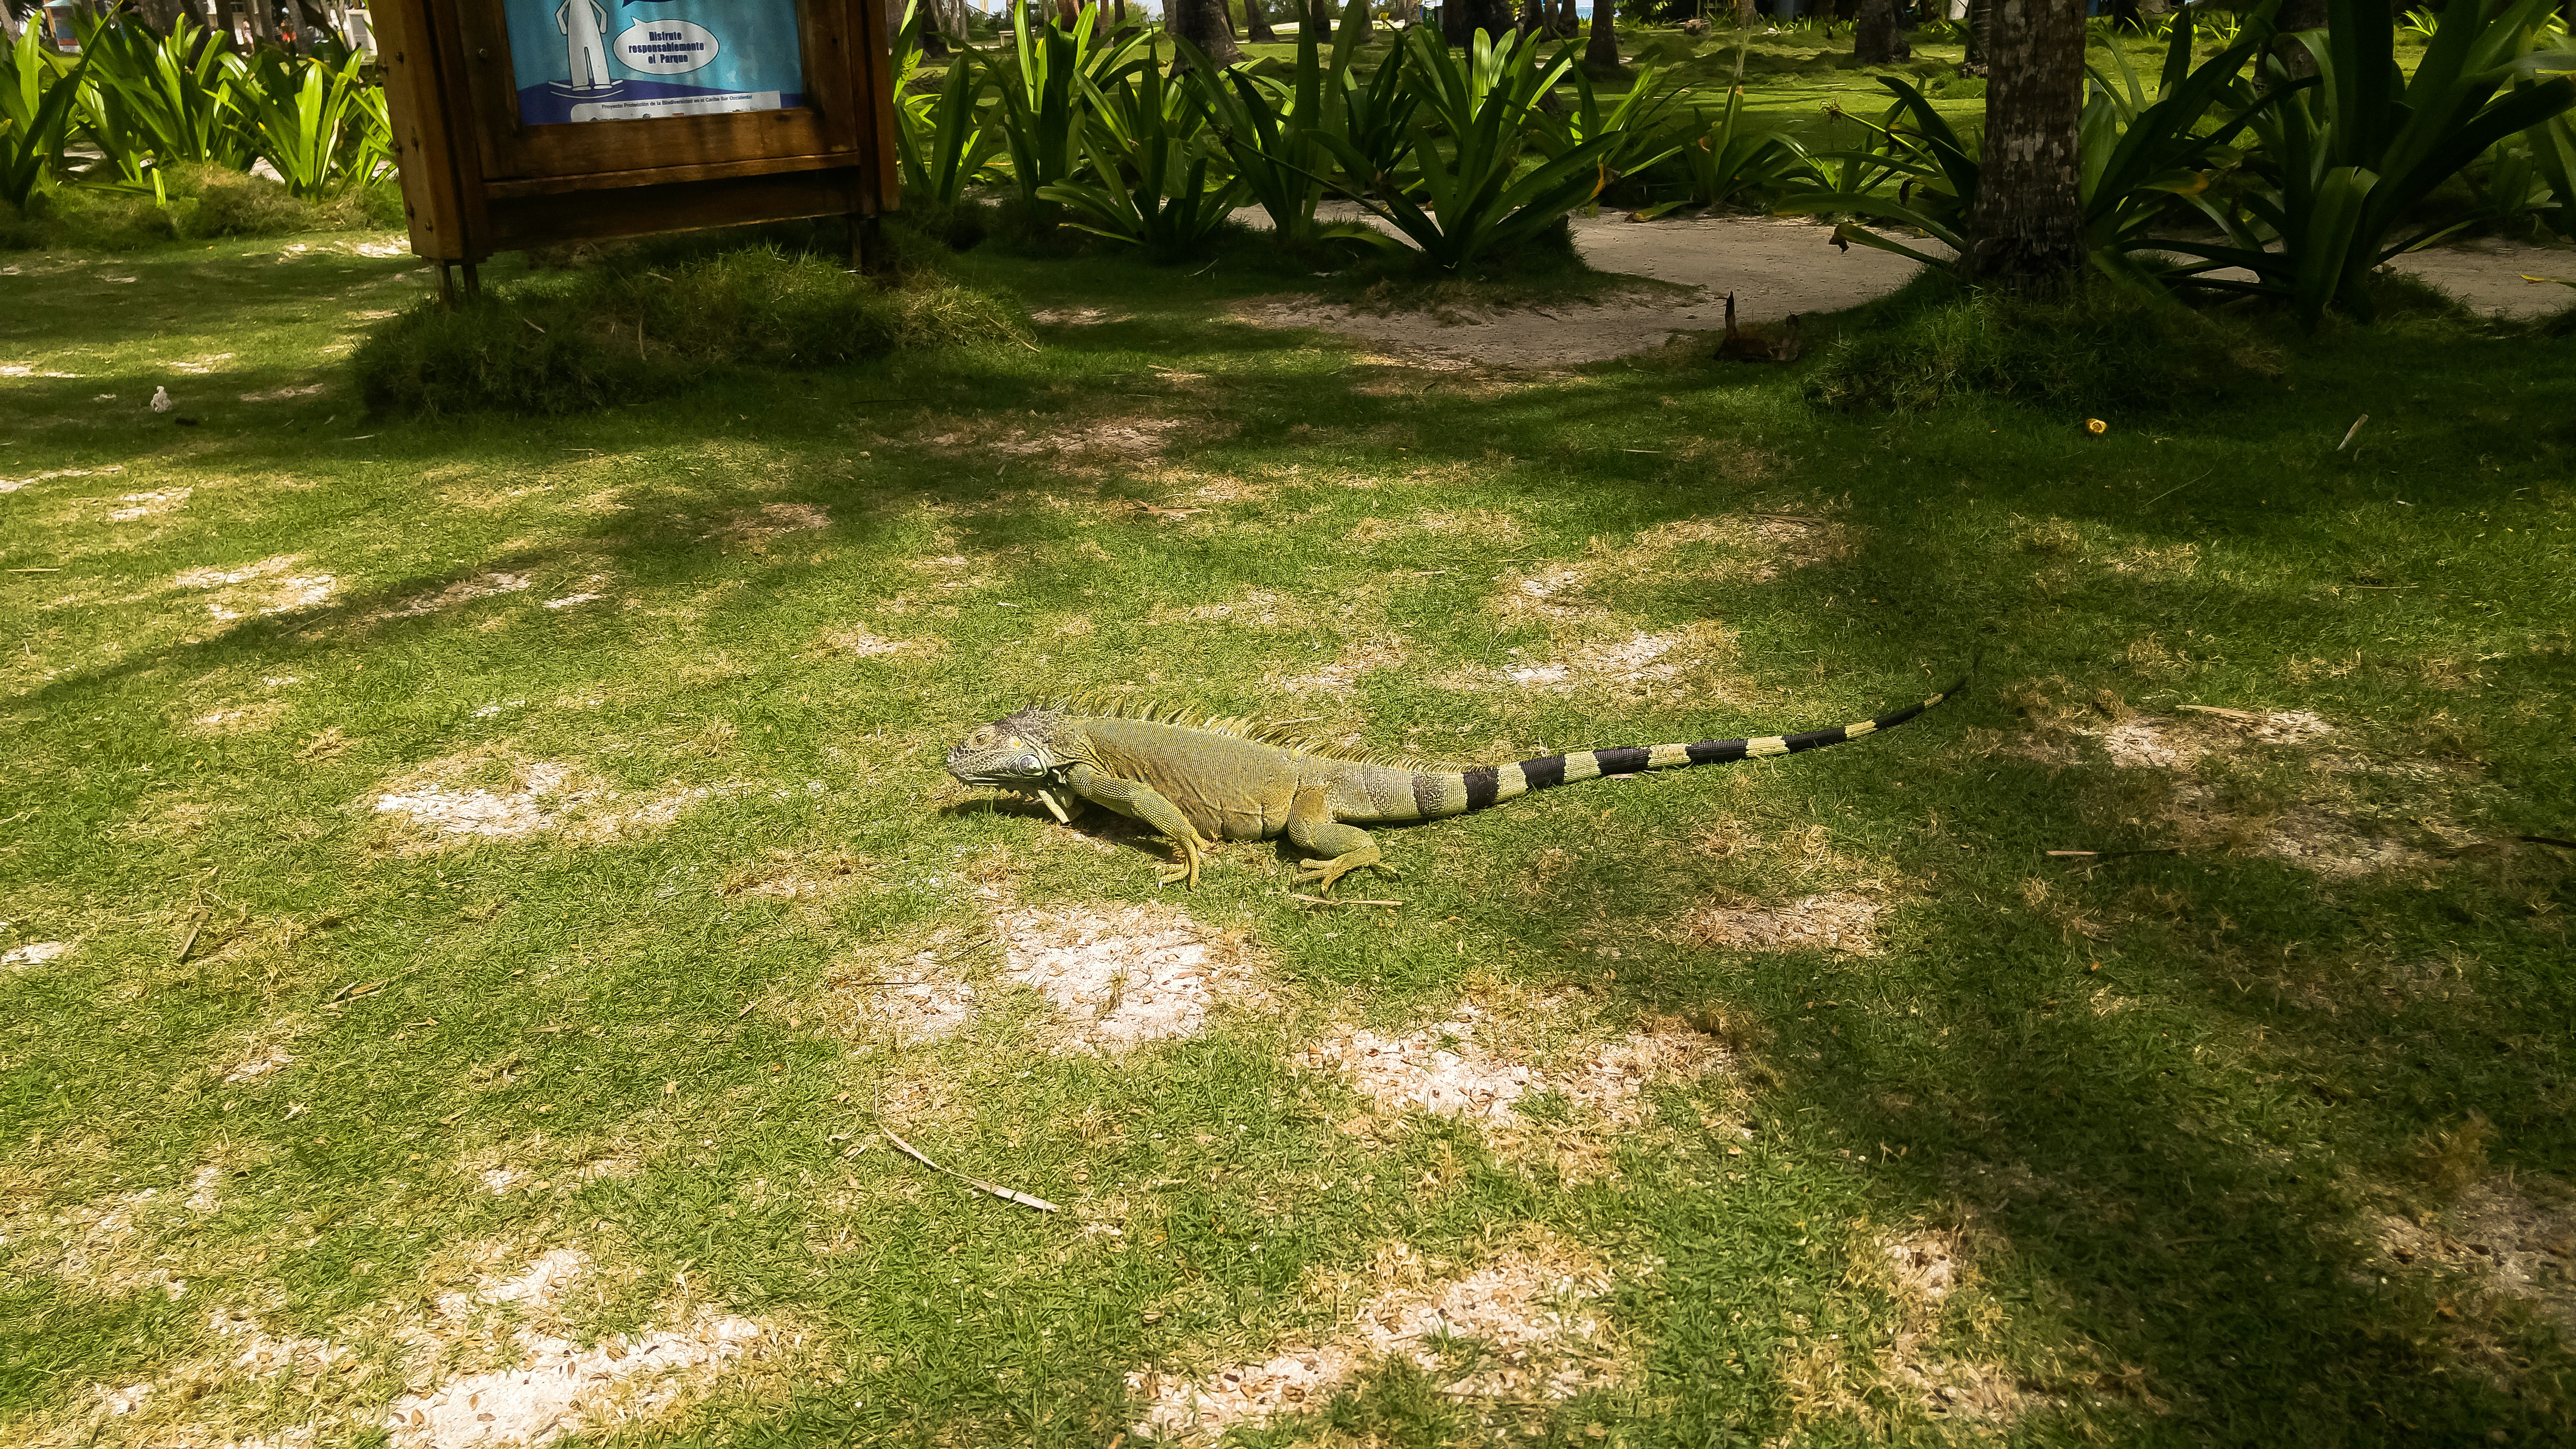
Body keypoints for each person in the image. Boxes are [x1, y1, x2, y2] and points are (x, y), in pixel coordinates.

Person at [557, 0, 613, 91]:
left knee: (597, 56)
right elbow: (559, 14)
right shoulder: (570, 2)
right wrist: (565, 29)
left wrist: (602, 28)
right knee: (577, 58)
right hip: (574, 33)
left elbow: (603, 12)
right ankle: (579, 84)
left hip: (593, 31)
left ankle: (603, 82)